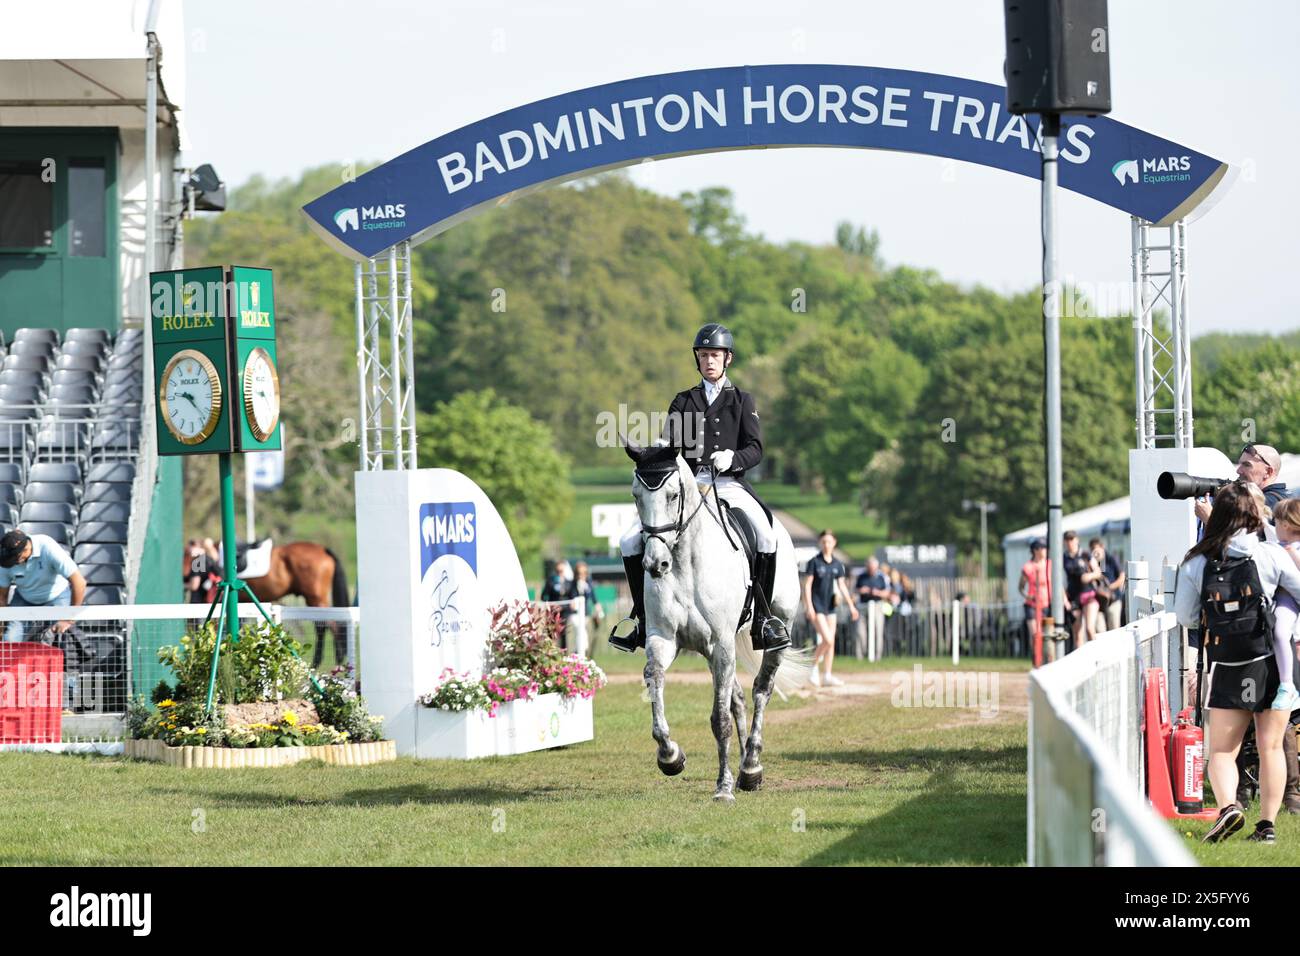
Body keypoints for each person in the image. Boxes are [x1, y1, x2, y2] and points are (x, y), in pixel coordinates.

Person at [610, 323, 786, 653]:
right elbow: (670, 442)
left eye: (715, 355)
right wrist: (656, 449)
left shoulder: (742, 401)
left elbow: (756, 447)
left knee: (766, 535)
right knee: (629, 540)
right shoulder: (683, 400)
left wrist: (733, 458)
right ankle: (642, 619)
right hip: (688, 488)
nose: (709, 361)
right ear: (698, 359)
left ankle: (763, 618)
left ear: (727, 359)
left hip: (729, 484)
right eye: (704, 355)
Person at [1174, 481, 1300, 844]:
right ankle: (1267, 828)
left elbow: (1185, 616)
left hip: (1229, 663)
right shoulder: (1270, 554)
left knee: (1222, 752)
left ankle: (1229, 806)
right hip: (1272, 661)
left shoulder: (1198, 560)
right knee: (1271, 746)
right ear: (1253, 516)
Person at [0, 529, 86, 643]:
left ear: (25, 550)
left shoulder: (47, 546)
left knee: (56, 638)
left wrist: (69, 618)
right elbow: (2, 597)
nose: (11, 563)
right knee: (9, 640)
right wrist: (1, 629)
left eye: (13, 559)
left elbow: (79, 582)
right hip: (24, 598)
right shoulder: (5, 559)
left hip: (57, 596)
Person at [801, 530, 858, 687]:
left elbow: (842, 586)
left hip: (830, 606)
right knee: (827, 639)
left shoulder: (837, 564)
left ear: (834, 543)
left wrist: (851, 606)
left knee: (830, 643)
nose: (826, 544)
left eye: (829, 541)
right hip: (817, 606)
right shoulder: (814, 562)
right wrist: (809, 607)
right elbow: (807, 586)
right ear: (820, 543)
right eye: (824, 541)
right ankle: (812, 667)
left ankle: (827, 675)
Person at [1194, 443, 1289, 527]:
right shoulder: (1283, 498)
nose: (1238, 470)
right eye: (1240, 464)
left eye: (1247, 465)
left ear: (1268, 472)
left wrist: (1210, 519)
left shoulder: (1272, 502)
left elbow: (1239, 543)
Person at [1062, 531, 1102, 649]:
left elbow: (1098, 572)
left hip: (1089, 595)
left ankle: (1095, 658)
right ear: (1064, 542)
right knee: (1078, 635)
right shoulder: (1063, 558)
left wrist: (1089, 576)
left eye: (1072, 539)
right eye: (1067, 540)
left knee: (1090, 628)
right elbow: (1059, 582)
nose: (1070, 542)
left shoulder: (1085, 554)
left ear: (1077, 540)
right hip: (1074, 598)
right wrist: (1065, 601)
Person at [1019, 538, 1050, 666]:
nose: (1045, 550)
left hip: (1047, 605)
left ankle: (1046, 663)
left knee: (1046, 636)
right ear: (1035, 550)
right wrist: (1029, 596)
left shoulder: (1050, 564)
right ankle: (1036, 663)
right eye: (1042, 548)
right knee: (1035, 635)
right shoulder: (1028, 567)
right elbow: (1020, 587)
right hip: (1032, 606)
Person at [854, 556, 890, 657]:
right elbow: (855, 590)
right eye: (870, 568)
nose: (871, 570)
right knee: (860, 631)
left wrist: (877, 593)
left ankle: (877, 656)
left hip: (877, 605)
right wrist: (862, 590)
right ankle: (860, 655)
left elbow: (887, 593)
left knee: (878, 631)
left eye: (873, 568)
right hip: (863, 605)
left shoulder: (882, 577)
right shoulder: (861, 577)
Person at [1090, 538, 1126, 633]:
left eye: (1097, 549)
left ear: (1102, 548)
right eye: (1093, 549)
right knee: (1100, 630)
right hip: (1099, 601)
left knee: (1114, 628)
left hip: (1113, 599)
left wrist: (1109, 588)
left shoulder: (1111, 558)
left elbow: (1121, 576)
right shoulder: (1092, 562)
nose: (1095, 552)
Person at [541, 560, 578, 649]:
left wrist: (572, 602)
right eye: (558, 571)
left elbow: (573, 595)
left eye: (561, 571)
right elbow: (544, 596)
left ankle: (563, 653)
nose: (560, 573)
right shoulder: (551, 581)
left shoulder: (569, 582)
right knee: (551, 632)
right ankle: (550, 651)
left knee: (563, 633)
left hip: (565, 611)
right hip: (553, 611)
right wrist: (548, 605)